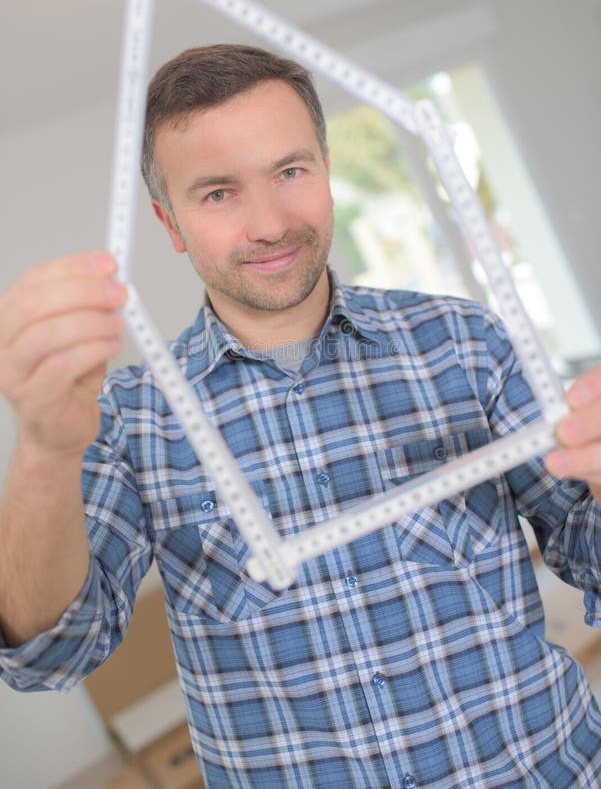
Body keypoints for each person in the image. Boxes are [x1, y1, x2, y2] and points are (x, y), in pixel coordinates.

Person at [1, 44, 601, 788]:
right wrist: (44, 452)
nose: (270, 223)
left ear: (325, 167)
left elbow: (588, 552)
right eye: (218, 193)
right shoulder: (127, 417)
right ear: (169, 222)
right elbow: (48, 656)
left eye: (289, 172)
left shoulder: (464, 341)